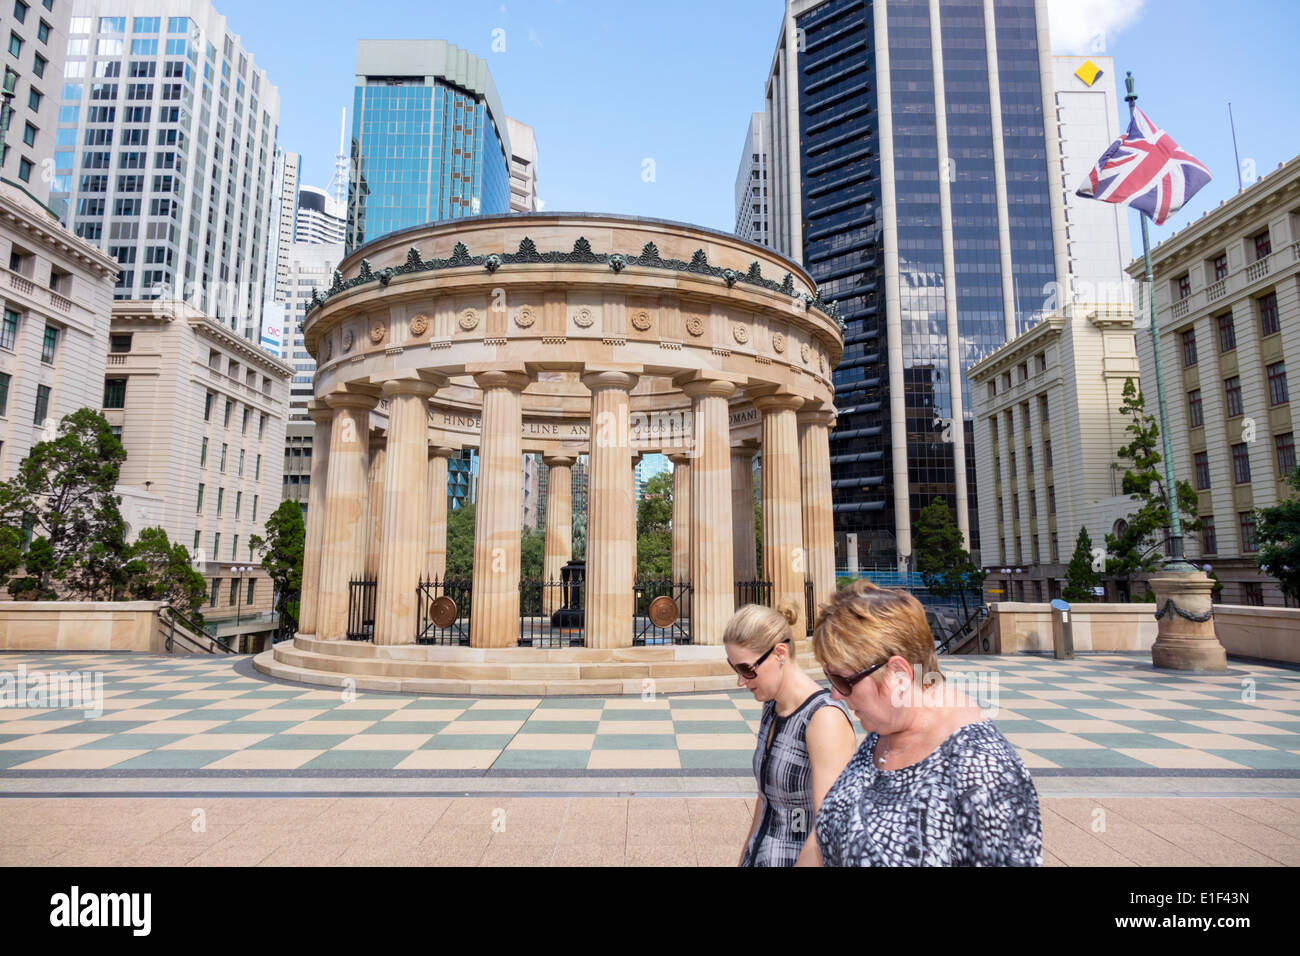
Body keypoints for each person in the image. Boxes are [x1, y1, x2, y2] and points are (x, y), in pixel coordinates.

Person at [811, 580, 1042, 866]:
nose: (834, 693)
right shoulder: (886, 728)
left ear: (898, 673)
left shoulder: (983, 769)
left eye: (843, 680)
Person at [726, 603, 856, 867]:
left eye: (747, 669)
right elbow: (765, 804)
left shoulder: (824, 718)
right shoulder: (772, 706)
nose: (741, 680)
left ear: (780, 653)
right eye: (735, 668)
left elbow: (827, 829)